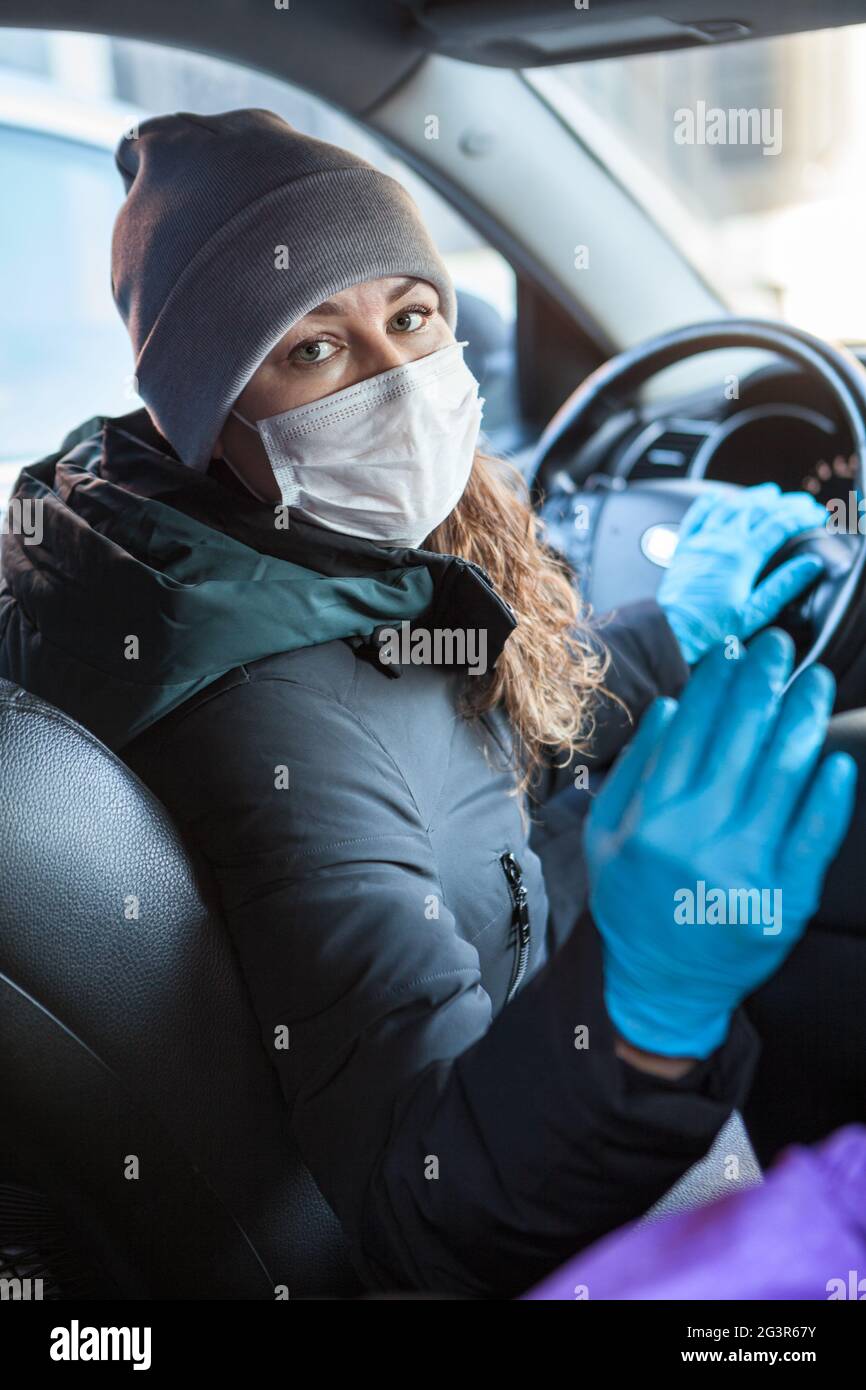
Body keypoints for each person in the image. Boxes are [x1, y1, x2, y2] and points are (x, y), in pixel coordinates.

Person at [0, 109, 855, 1298]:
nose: (398, 379)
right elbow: (427, 1205)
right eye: (312, 349)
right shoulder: (268, 724)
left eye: (409, 315)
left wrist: (669, 637)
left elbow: (453, 736)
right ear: (206, 412)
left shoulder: (245, 559)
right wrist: (641, 1012)